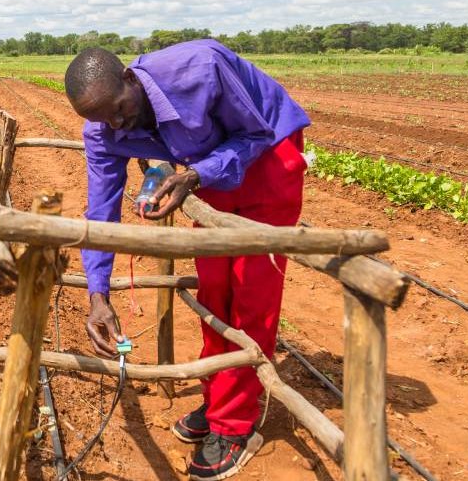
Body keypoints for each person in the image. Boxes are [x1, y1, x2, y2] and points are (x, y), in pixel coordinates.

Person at [63, 40, 310, 481]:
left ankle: (235, 425)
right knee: (215, 289)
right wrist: (98, 294)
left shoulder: (200, 68)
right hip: (208, 165)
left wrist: (195, 175)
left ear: (129, 78)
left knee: (251, 293)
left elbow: (254, 135)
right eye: (102, 120)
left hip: (269, 154)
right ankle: (219, 401)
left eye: (119, 109)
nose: (117, 125)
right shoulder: (103, 129)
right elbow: (100, 213)